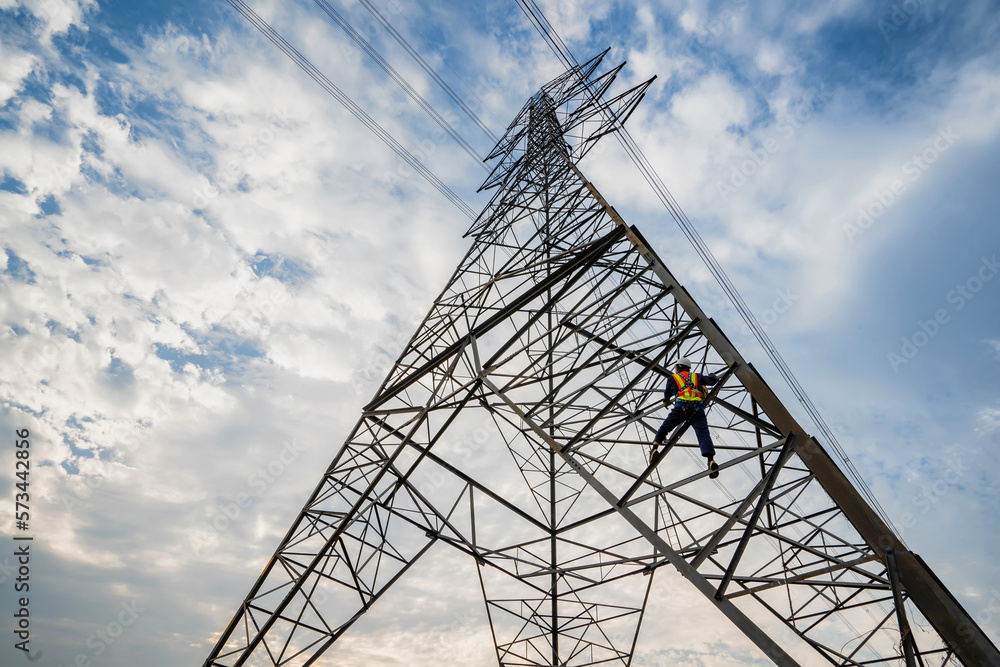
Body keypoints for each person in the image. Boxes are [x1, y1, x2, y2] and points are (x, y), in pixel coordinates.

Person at [650, 357, 720, 478]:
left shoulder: (673, 378)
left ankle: (654, 449)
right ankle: (710, 460)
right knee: (703, 433)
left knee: (664, 428)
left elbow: (668, 393)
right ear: (688, 368)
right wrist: (713, 375)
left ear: (677, 367)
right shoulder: (696, 376)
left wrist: (666, 400)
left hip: (680, 409)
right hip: (697, 409)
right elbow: (712, 381)